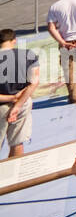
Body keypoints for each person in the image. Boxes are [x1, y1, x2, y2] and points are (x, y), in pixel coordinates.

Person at [0, 28, 40, 158]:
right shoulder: (29, 55)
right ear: (14, 41)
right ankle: (13, 176)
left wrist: (10, 98)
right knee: (17, 142)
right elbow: (34, 82)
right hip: (23, 103)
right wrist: (17, 105)